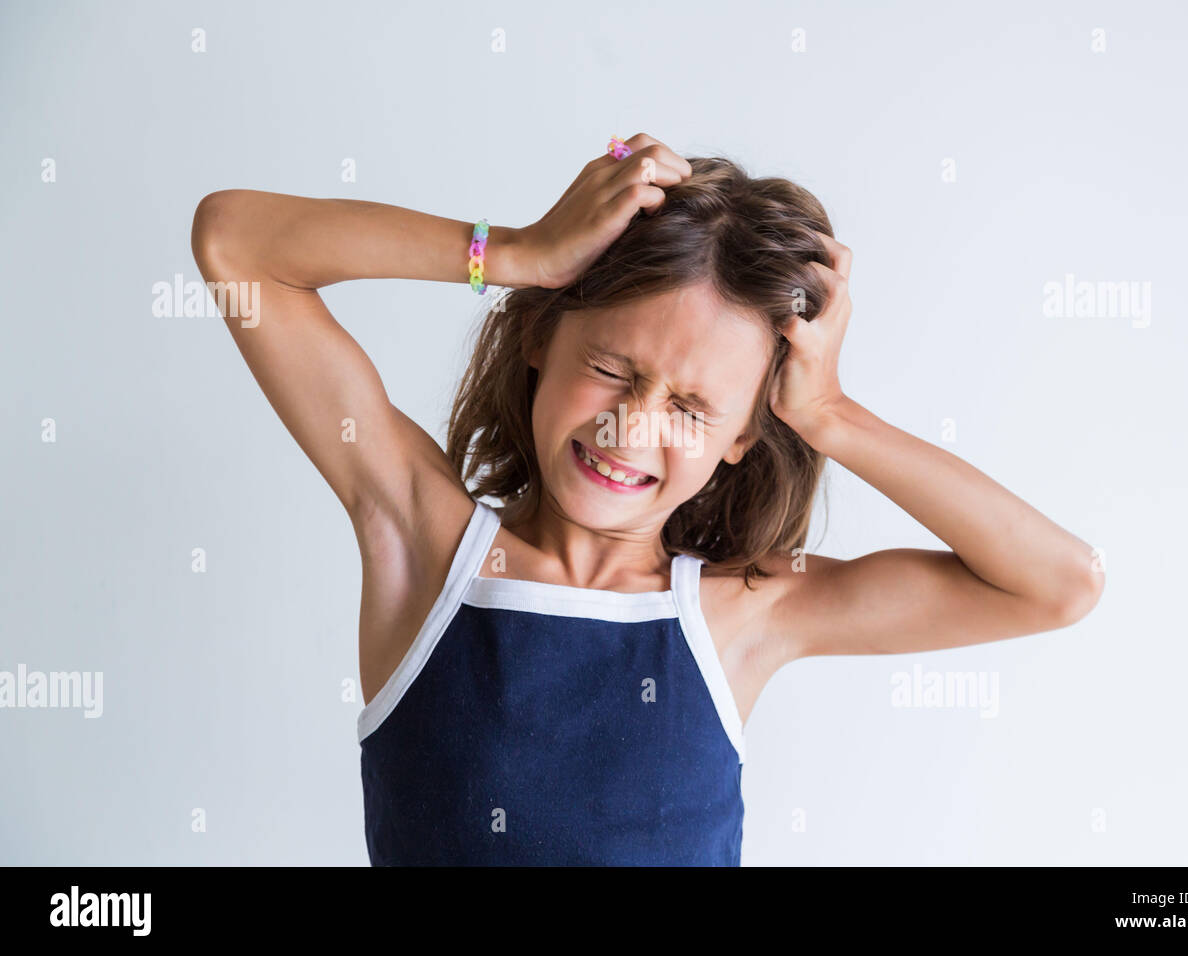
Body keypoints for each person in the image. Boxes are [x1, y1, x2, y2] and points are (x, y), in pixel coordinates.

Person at [190, 132, 1104, 865]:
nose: (632, 428)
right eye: (610, 368)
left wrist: (829, 414)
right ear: (542, 335)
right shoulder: (425, 547)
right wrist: (511, 252)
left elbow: (1058, 583)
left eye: (693, 408)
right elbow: (236, 243)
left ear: (745, 436)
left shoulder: (741, 613)